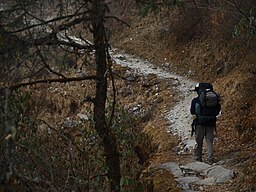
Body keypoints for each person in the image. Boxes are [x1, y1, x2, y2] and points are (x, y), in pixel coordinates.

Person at [190, 83, 221, 165]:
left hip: (199, 123)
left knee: (198, 142)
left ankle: (198, 159)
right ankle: (210, 159)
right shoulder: (214, 100)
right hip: (211, 123)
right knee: (210, 142)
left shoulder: (196, 100)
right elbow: (218, 111)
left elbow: (192, 111)